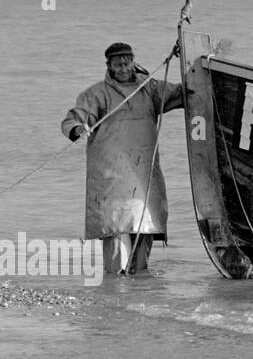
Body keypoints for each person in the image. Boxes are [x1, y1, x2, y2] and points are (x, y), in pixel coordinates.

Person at [61, 43, 184, 275]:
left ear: (133, 61)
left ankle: (139, 291)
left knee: (144, 225)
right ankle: (115, 293)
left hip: (143, 170)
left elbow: (183, 94)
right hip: (112, 174)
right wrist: (79, 129)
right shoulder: (96, 93)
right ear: (109, 66)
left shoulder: (149, 88)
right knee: (117, 230)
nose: (124, 67)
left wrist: (199, 68)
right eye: (118, 64)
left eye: (127, 62)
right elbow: (73, 119)